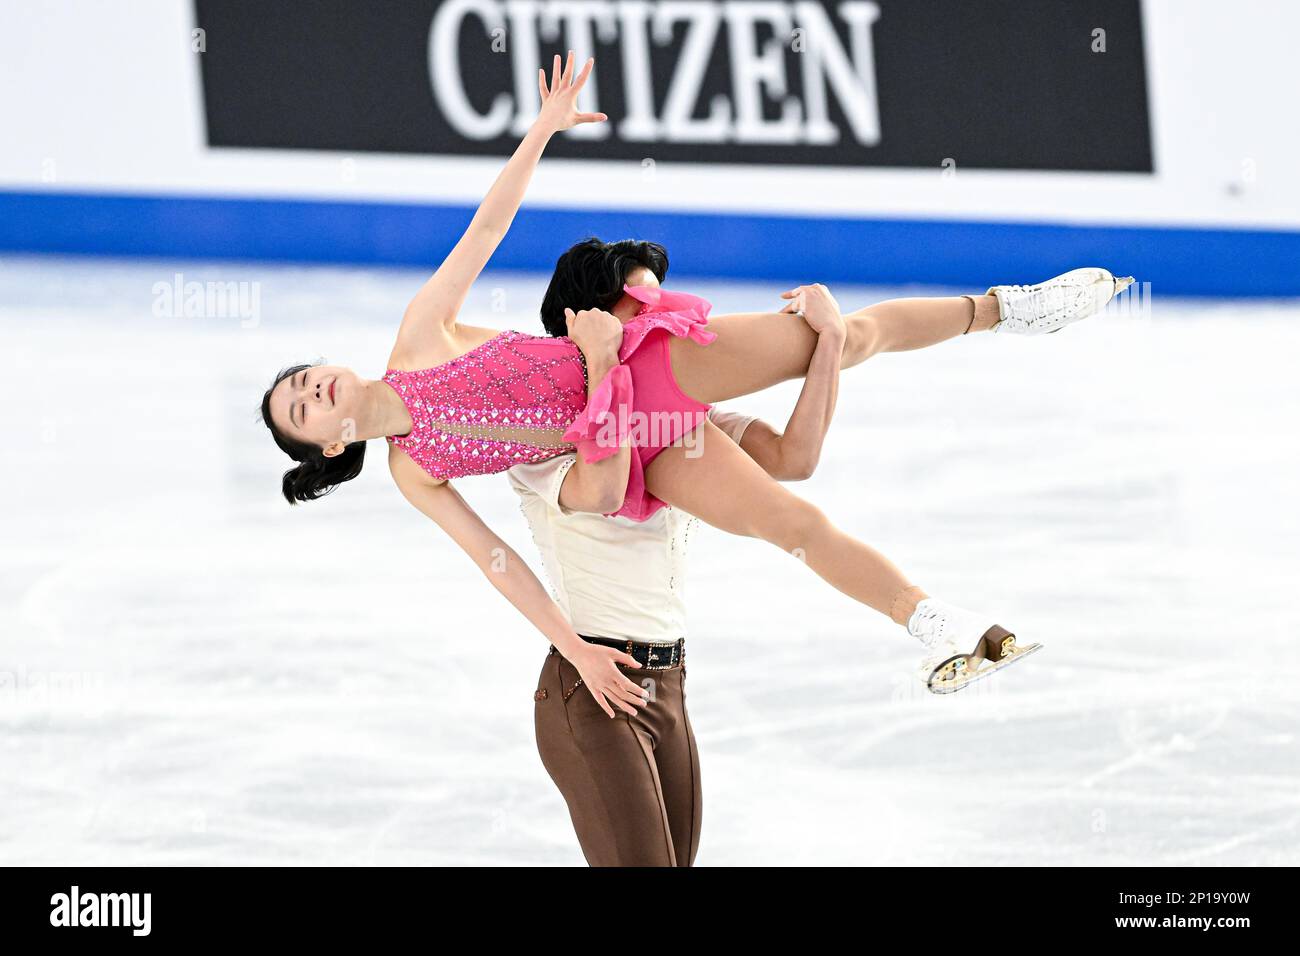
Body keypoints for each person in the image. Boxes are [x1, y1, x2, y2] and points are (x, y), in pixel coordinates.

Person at [259, 52, 1132, 699]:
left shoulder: (418, 334)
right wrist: (572, 647)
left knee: (841, 335)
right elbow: (495, 560)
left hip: (645, 358)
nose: (313, 391)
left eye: (304, 378)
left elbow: (486, 230)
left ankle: (1007, 308)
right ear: (330, 442)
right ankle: (935, 622)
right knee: (789, 520)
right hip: (633, 442)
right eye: (301, 411)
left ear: (331, 368)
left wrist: (540, 131)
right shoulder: (416, 472)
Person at [515, 272, 846, 866]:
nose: (658, 321)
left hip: (667, 682)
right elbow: (608, 483)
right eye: (635, 311)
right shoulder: (543, 441)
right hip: (593, 683)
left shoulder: (686, 427)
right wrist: (601, 360)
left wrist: (833, 341)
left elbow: (794, 459)